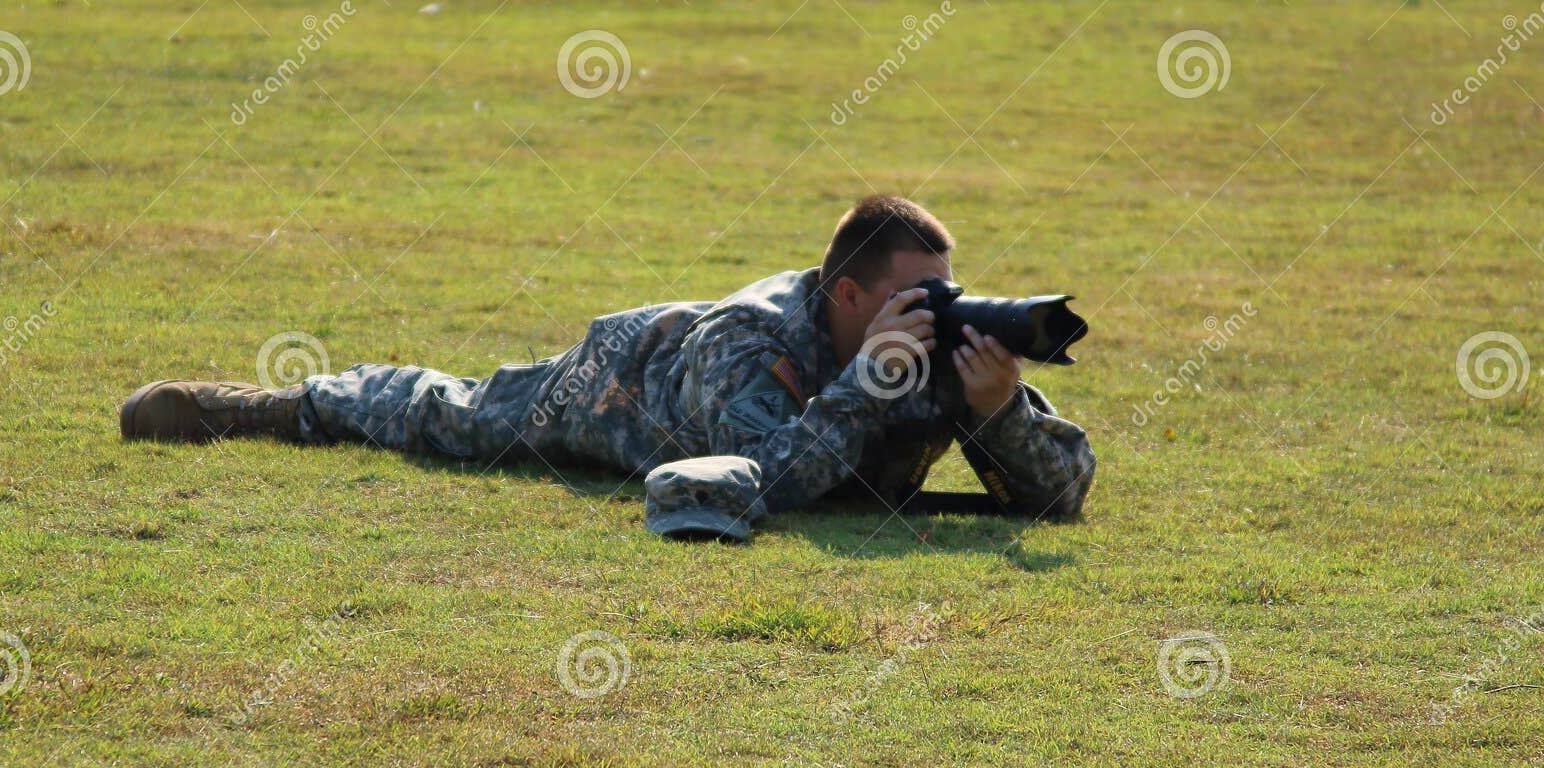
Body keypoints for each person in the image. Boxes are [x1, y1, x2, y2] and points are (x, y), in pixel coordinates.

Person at [121, 195, 1095, 519]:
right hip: (627, 384)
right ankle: (264, 409)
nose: (932, 314)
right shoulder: (749, 344)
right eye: (908, 296)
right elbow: (769, 482)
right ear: (846, 295)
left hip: (746, 387)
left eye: (944, 290)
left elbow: (1065, 494)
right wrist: (872, 381)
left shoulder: (919, 346)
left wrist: (996, 411)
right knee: (451, 420)